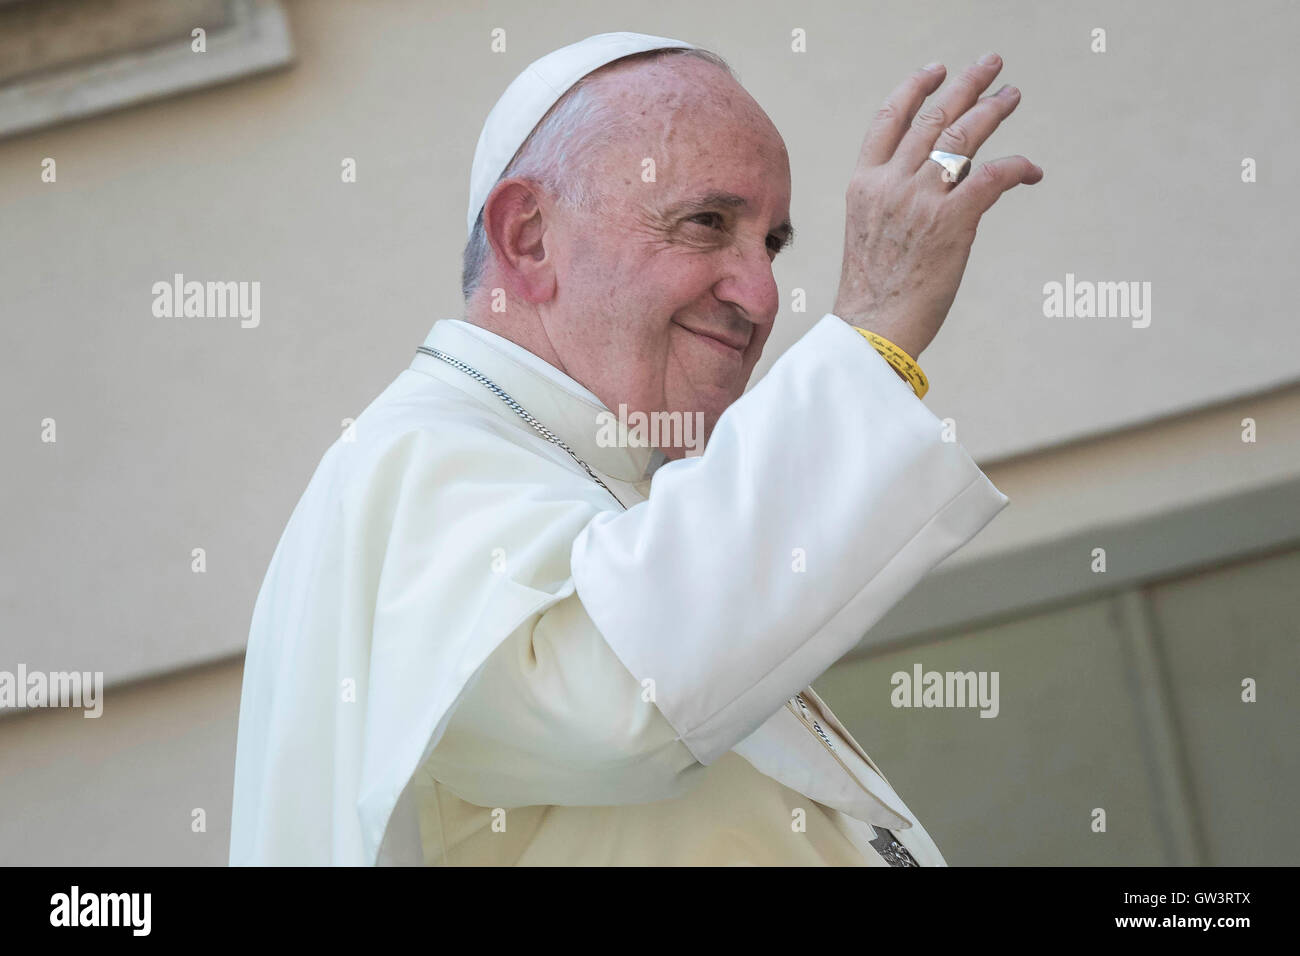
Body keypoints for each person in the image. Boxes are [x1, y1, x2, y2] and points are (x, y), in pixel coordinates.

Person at [229, 32, 1042, 866]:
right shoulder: (411, 462)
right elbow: (623, 703)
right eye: (707, 223)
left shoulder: (601, 468)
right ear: (530, 237)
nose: (760, 295)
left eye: (769, 244)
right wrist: (873, 331)